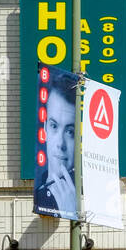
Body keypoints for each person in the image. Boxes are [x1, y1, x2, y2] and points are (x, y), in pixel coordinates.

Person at [34, 72, 77, 218]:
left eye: (70, 132)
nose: (60, 144)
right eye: (54, 126)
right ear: (45, 128)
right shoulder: (37, 193)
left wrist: (72, 209)